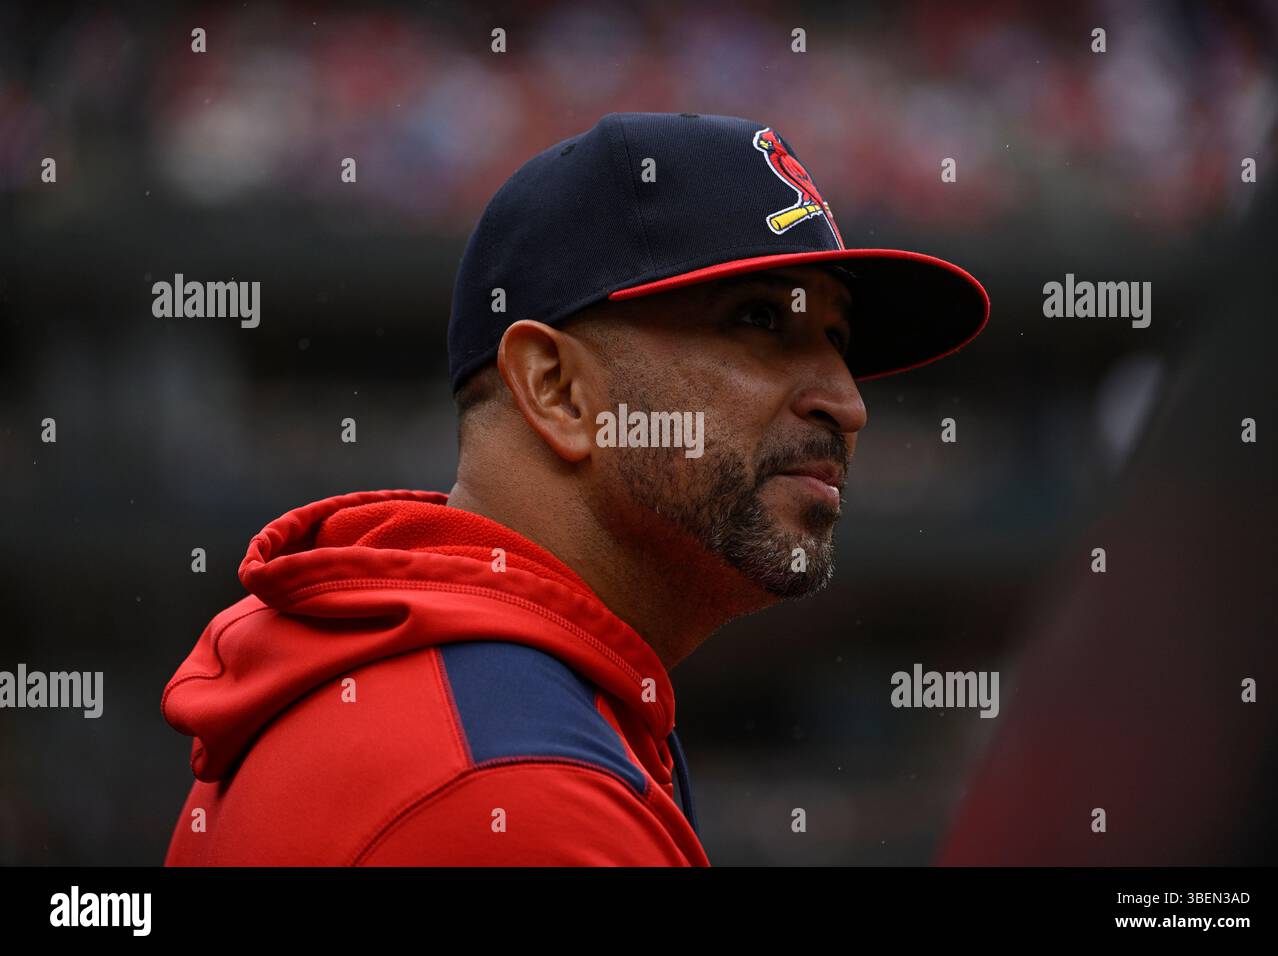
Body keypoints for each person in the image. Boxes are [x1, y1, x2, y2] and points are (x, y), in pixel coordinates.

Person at [161, 112, 988, 865]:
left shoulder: (457, 698)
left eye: (837, 338)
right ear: (556, 390)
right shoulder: (512, 788)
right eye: (760, 319)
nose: (848, 403)